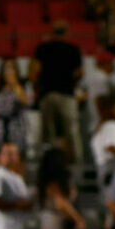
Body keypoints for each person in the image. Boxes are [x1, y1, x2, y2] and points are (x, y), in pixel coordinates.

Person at [28, 21, 85, 171]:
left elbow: (34, 73)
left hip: (47, 95)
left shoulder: (43, 48)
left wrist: (37, 88)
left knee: (49, 134)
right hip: (66, 95)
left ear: (52, 32)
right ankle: (76, 166)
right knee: (72, 133)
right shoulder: (73, 49)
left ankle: (50, 165)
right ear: (66, 33)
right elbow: (80, 73)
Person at [35, 147, 86, 229]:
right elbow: (61, 204)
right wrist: (78, 220)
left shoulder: (48, 181)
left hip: (54, 222)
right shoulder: (53, 183)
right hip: (56, 223)